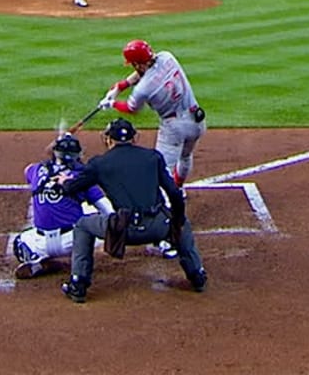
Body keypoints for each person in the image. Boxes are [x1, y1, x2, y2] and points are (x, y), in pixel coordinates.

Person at [52, 118, 206, 303]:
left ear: (108, 140)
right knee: (183, 225)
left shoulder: (99, 164)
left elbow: (71, 188)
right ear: (134, 138)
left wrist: (63, 182)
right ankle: (196, 275)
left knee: (83, 225)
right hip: (158, 227)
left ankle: (78, 284)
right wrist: (177, 222)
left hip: (123, 231)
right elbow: (174, 193)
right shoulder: (153, 157)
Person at [11, 133, 114, 280]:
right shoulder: (81, 176)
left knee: (20, 241)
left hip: (42, 243)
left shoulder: (37, 170)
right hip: (73, 241)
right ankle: (81, 259)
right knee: (94, 214)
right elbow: (106, 208)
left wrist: (51, 150)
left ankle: (39, 260)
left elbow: (27, 170)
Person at [103, 39, 205, 187]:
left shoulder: (143, 89)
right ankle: (178, 188)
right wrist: (120, 86)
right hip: (197, 120)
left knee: (162, 168)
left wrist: (112, 103)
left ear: (137, 64)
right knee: (185, 156)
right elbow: (149, 70)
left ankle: (168, 201)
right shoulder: (167, 57)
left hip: (174, 127)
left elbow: (132, 108)